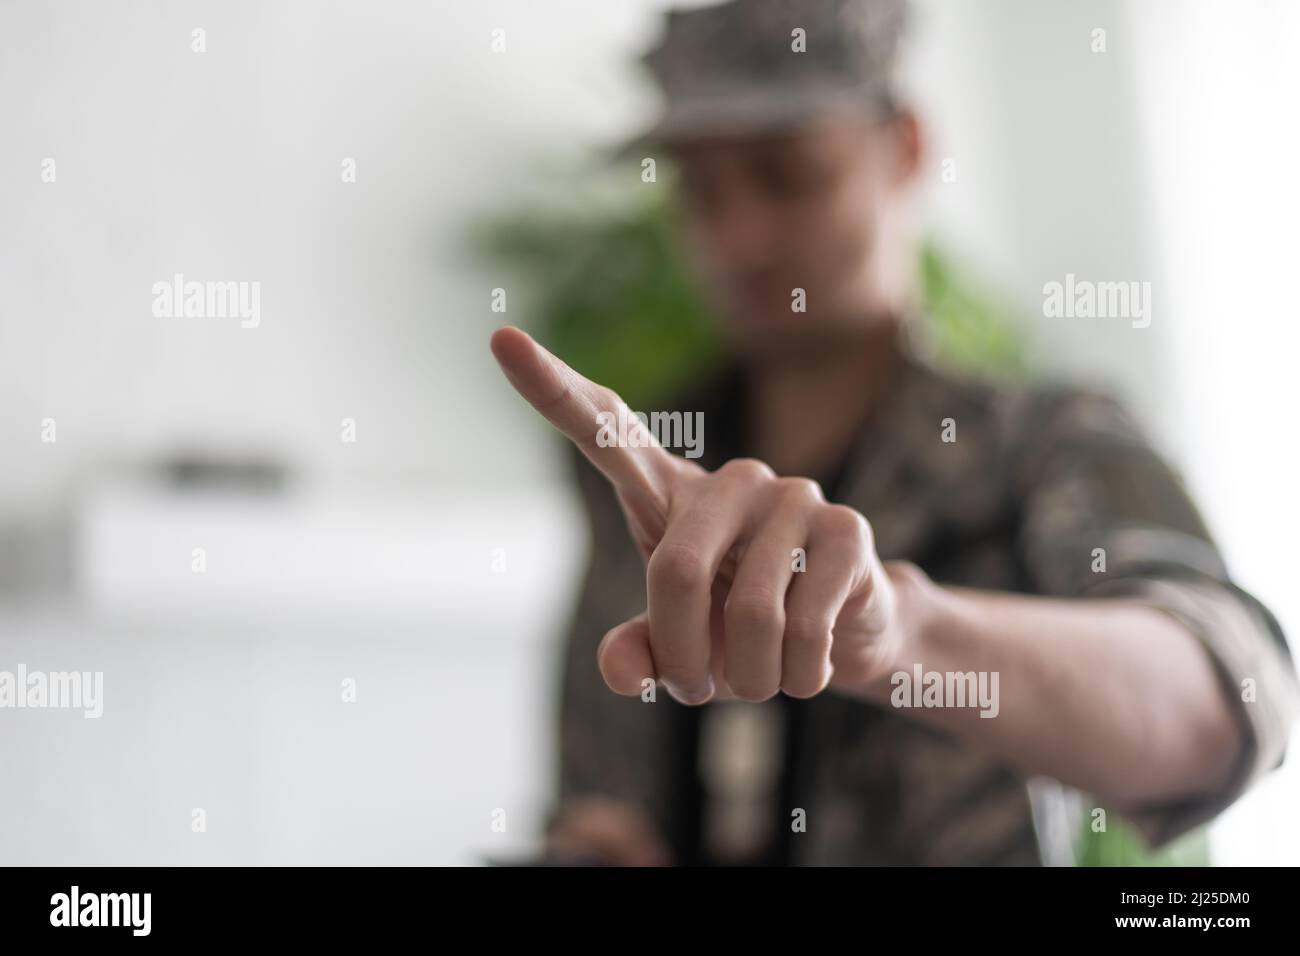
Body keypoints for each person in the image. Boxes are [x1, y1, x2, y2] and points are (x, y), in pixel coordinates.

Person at [489, 0, 1300, 866]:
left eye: (788, 174)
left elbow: (1233, 696)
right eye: (703, 187)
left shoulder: (1036, 447)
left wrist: (903, 635)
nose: (739, 236)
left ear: (905, 147)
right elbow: (596, 786)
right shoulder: (641, 468)